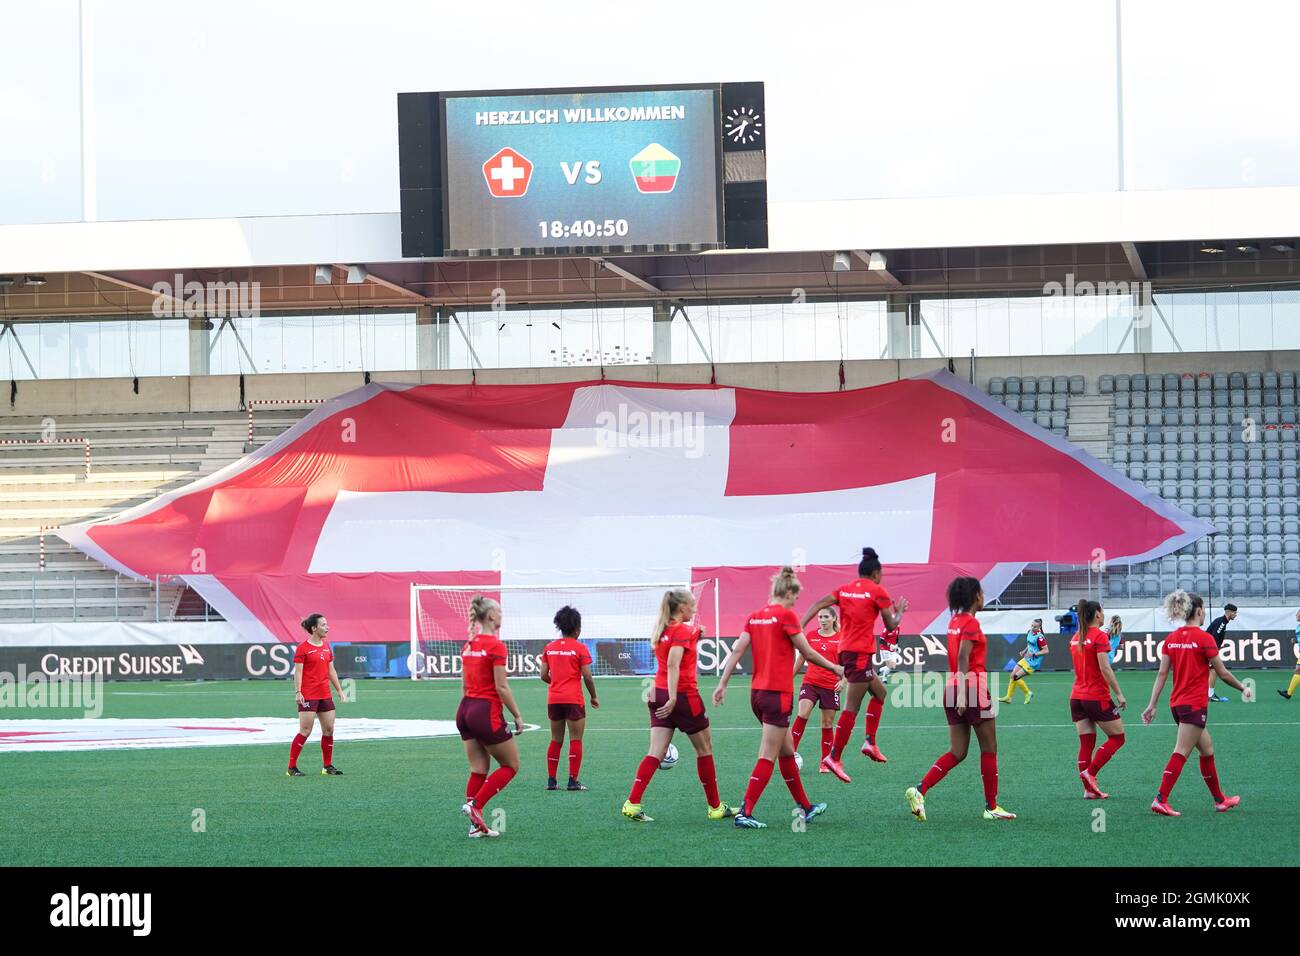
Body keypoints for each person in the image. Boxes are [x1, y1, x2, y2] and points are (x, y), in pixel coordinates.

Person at [713, 567, 844, 828]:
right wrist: (836, 668)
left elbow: (738, 649)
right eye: (796, 597)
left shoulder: (755, 616)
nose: (796, 602)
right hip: (777, 696)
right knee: (767, 756)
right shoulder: (787, 616)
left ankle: (806, 807)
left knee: (787, 753)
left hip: (757, 695)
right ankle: (745, 813)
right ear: (788, 593)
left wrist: (723, 683)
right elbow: (807, 653)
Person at [905, 577, 1016, 822]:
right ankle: (991, 807)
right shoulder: (970, 623)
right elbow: (964, 658)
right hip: (973, 689)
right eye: (982, 592)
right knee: (990, 749)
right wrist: (966, 694)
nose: (984, 596)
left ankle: (920, 790)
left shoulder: (954, 622)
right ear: (975, 596)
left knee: (957, 751)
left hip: (951, 689)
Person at [621, 588, 736, 823]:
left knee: (656, 752)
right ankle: (715, 807)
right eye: (692, 604)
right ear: (681, 607)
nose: (694, 608)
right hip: (682, 696)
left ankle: (632, 803)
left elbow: (679, 649)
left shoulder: (664, 629)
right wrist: (674, 698)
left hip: (656, 693)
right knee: (704, 749)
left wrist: (696, 635)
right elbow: (674, 664)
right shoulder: (682, 630)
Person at [801, 547, 909, 781]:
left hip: (850, 652)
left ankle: (870, 742)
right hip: (859, 654)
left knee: (880, 693)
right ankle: (834, 757)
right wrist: (899, 612)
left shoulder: (846, 589)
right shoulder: (878, 591)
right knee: (852, 706)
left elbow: (819, 603)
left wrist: (800, 626)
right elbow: (891, 626)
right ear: (876, 573)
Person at [1141, 590, 1246, 816]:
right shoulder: (1204, 638)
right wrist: (1243, 687)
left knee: (1207, 751)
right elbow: (1223, 673)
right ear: (1198, 610)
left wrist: (1152, 704)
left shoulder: (1171, 638)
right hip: (1194, 706)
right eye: (1204, 609)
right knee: (1181, 751)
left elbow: (1161, 674)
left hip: (1177, 705)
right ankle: (1160, 798)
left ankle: (1220, 800)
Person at [457, 595, 524, 838]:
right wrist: (517, 715)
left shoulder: (469, 645)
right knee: (511, 765)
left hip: (464, 710)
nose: (502, 616)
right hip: (484, 711)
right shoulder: (496, 646)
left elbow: (464, 686)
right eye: (500, 612)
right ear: (491, 616)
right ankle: (476, 806)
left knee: (478, 768)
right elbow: (501, 687)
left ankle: (475, 826)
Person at [1069, 600, 1127, 800]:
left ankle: (1088, 789)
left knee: (1086, 744)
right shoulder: (1099, 636)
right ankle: (1090, 773)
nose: (1104, 616)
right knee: (1118, 737)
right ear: (1097, 615)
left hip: (1076, 697)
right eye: (1102, 612)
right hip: (1096, 697)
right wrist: (1118, 693)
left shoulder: (1076, 637)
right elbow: (1104, 667)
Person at [540, 605, 599, 792]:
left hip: (554, 699)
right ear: (577, 629)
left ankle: (551, 781)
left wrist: (556, 683)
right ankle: (573, 781)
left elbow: (543, 675)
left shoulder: (549, 647)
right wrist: (594, 696)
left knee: (556, 739)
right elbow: (588, 677)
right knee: (576, 740)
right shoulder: (580, 648)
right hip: (573, 699)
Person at [287, 613, 346, 777]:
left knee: (329, 730)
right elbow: (298, 672)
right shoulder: (302, 648)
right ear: (314, 628)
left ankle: (327, 767)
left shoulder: (327, 646)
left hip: (324, 694)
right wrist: (298, 692)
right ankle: (291, 768)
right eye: (324, 625)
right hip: (308, 695)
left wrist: (340, 691)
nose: (327, 627)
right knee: (305, 730)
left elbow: (331, 670)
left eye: (327, 624)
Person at [791, 605, 842, 771]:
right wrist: (788, 677)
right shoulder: (811, 636)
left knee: (827, 724)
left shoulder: (841, 638)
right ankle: (790, 754)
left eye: (826, 617)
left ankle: (825, 762)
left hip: (831, 685)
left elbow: (848, 663)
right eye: (820, 617)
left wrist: (844, 680)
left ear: (834, 618)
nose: (822, 620)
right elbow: (801, 658)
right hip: (810, 682)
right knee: (802, 713)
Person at [1000, 618, 1046, 703]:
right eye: (1032, 625)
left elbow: (1046, 651)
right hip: (1026, 658)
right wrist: (1024, 651)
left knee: (1015, 677)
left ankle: (1028, 693)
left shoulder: (1040, 638)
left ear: (1039, 627)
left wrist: (1034, 654)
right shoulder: (1029, 632)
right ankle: (1008, 697)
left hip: (1033, 663)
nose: (1033, 628)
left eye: (1035, 627)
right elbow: (1029, 645)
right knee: (1012, 675)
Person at [1205, 604, 1237, 703]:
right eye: (1234, 612)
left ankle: (1207, 694)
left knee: (1210, 671)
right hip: (1208, 649)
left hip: (1207, 649)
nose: (1236, 615)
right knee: (1213, 670)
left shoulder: (1222, 622)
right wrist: (1212, 653)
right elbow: (1213, 638)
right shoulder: (1221, 623)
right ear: (1229, 612)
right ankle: (1210, 695)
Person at [1279, 608, 1300, 700]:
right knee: (1297, 671)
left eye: (1297, 613)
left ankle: (1289, 693)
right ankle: (1289, 693)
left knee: (1297, 671)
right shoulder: (1298, 626)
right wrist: (1295, 641)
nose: (1296, 615)